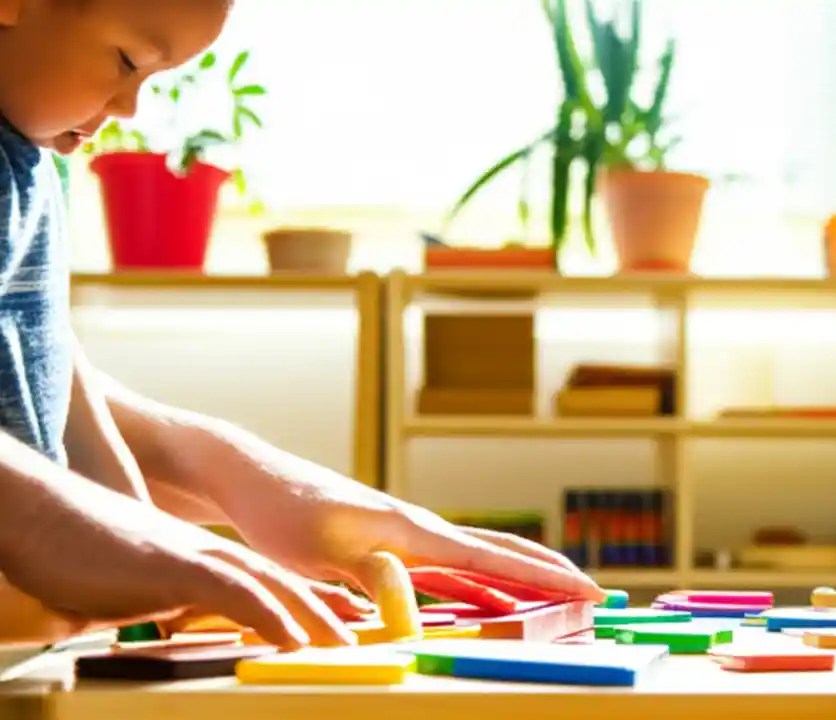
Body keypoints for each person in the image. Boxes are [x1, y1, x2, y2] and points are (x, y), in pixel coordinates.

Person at [0, 0, 603, 650]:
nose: (129, 109)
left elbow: (54, 381)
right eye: (127, 61)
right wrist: (69, 536)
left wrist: (186, 521)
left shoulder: (33, 158)